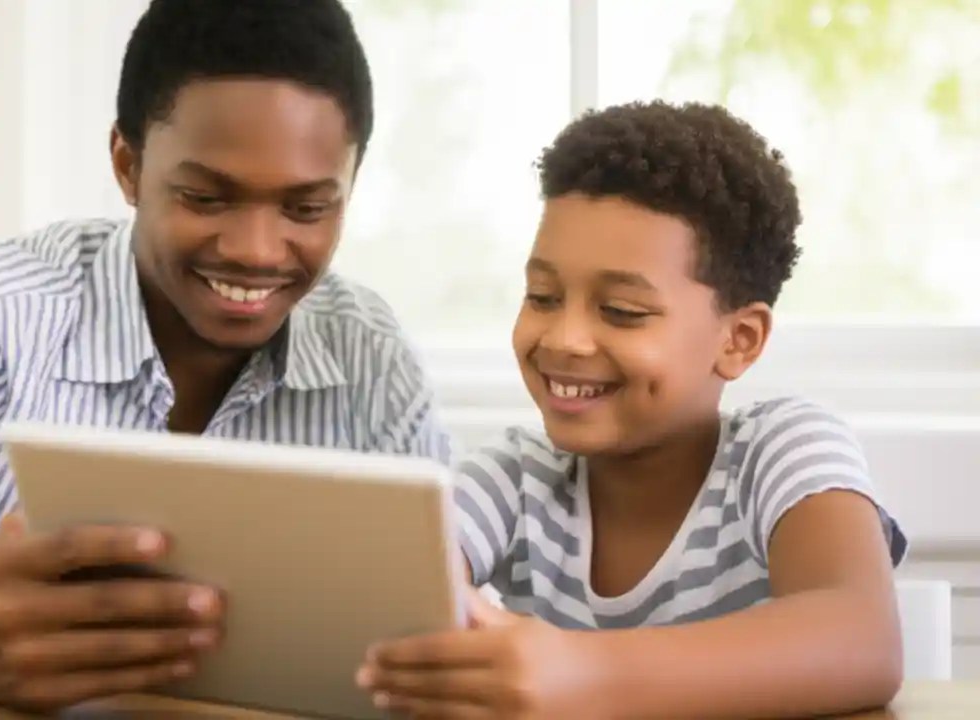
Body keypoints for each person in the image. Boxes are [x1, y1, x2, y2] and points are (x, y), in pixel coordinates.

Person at [0, 0, 451, 711]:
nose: (255, 250)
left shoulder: (371, 359)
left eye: (306, 208)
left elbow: (441, 630)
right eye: (205, 197)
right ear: (127, 165)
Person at [357, 101, 907, 718]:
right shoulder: (513, 480)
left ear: (738, 340)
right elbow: (378, 602)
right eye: (543, 296)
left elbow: (860, 639)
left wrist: (582, 672)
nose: (564, 338)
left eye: (621, 311)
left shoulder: (782, 450)